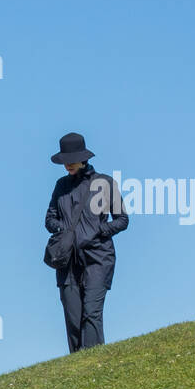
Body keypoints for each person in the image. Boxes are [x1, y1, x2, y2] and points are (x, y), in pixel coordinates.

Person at [44, 133, 129, 352]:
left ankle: (93, 363)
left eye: (72, 159)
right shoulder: (61, 185)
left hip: (98, 256)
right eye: (65, 160)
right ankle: (76, 365)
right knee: (73, 315)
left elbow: (122, 219)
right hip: (67, 259)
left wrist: (99, 230)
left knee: (91, 312)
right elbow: (49, 218)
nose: (68, 164)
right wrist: (63, 231)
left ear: (84, 157)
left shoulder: (104, 183)